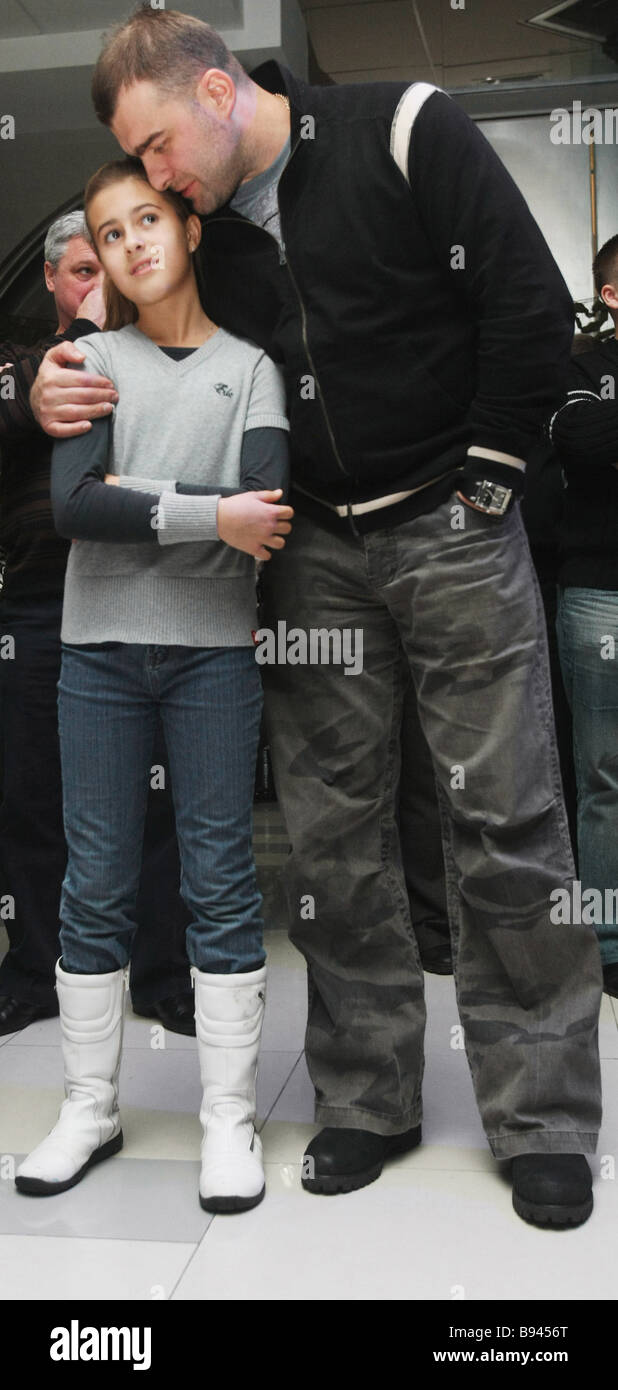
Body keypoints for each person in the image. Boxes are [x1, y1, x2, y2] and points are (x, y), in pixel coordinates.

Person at [30, 6, 602, 1229]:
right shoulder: (207, 224)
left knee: (502, 812)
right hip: (313, 553)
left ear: (221, 91)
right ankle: (365, 1098)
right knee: (338, 836)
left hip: (452, 523)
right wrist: (49, 370)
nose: (157, 178)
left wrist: (489, 475)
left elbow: (525, 303)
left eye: (162, 147)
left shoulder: (404, 127)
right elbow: (137, 324)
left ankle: (544, 1114)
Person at [14, 157, 291, 1212]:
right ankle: (91, 1105)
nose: (129, 243)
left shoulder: (253, 369)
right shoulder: (84, 357)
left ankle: (227, 1118)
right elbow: (78, 509)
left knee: (219, 877)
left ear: (190, 229)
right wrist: (204, 513)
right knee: (96, 880)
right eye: (107, 231)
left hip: (212, 654)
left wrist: (162, 498)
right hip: (98, 653)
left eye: (146, 219)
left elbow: (262, 512)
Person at [0, 212, 196, 1038]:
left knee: (157, 796)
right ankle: (36, 969)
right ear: (51, 279)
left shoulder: (162, 360)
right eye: (83, 271)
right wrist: (76, 342)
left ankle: (163, 970)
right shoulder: (15, 366)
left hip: (140, 598)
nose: (99, 286)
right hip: (39, 605)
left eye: (111, 271)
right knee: (31, 793)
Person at [550, 233, 618, 998]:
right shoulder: (580, 368)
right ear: (611, 296)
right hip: (601, 590)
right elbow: (581, 440)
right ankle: (606, 943)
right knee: (603, 775)